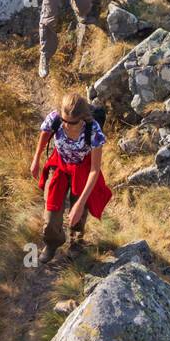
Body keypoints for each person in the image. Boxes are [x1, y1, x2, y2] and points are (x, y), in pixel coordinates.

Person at [31, 92, 112, 263]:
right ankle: (52, 243)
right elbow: (45, 134)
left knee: (79, 212)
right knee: (51, 211)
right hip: (59, 165)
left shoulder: (94, 131)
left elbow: (94, 170)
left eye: (72, 123)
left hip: (83, 169)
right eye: (64, 121)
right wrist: (36, 158)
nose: (66, 126)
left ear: (83, 119)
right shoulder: (56, 119)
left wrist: (80, 203)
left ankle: (76, 243)